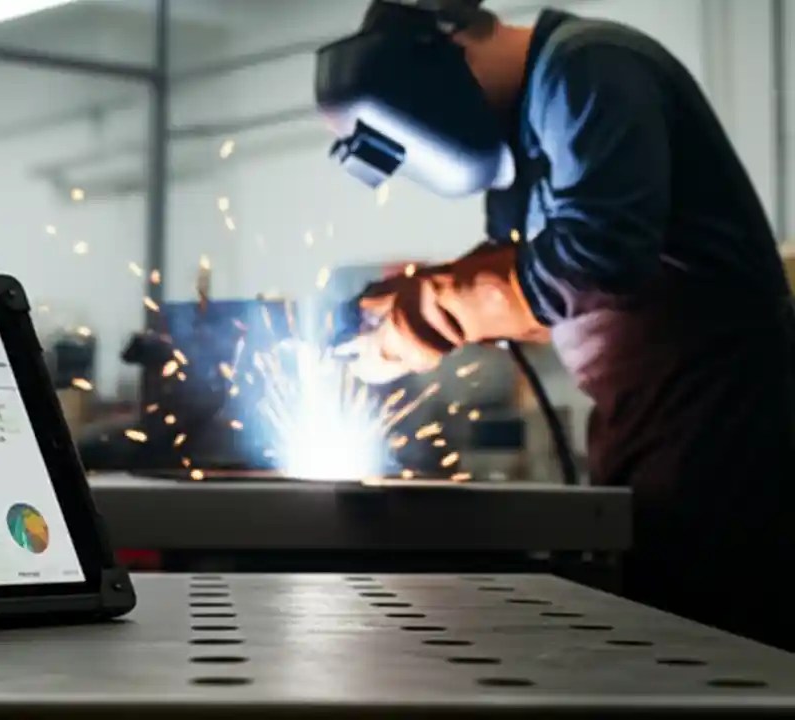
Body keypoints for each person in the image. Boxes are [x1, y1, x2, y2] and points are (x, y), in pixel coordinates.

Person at [317, 0, 795, 650]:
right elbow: (544, 294)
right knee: (657, 634)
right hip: (641, 427)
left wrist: (430, 313)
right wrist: (407, 307)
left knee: (720, 647)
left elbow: (602, 256)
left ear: (452, 48)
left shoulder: (588, 68)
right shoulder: (525, 139)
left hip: (725, 425)